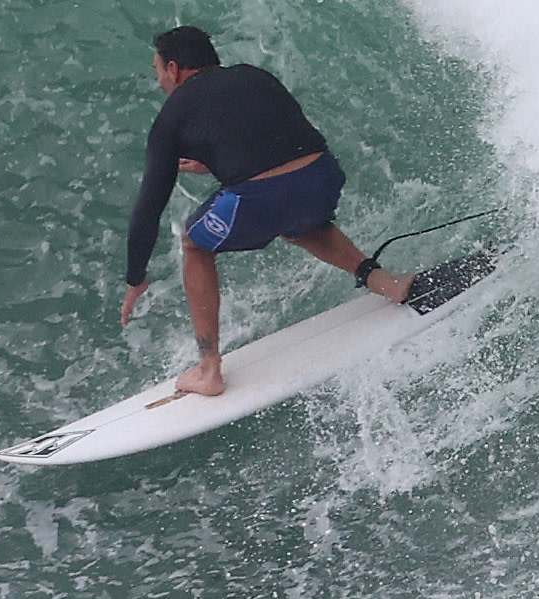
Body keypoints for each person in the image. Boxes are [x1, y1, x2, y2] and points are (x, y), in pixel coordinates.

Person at [119, 27, 417, 397]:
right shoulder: (255, 76)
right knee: (301, 224)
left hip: (264, 197)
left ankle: (208, 368)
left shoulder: (172, 115)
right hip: (324, 176)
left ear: (175, 69)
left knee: (195, 244)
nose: (159, 80)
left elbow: (149, 206)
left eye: (158, 70)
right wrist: (218, 164)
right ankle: (386, 283)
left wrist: (135, 278)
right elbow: (281, 146)